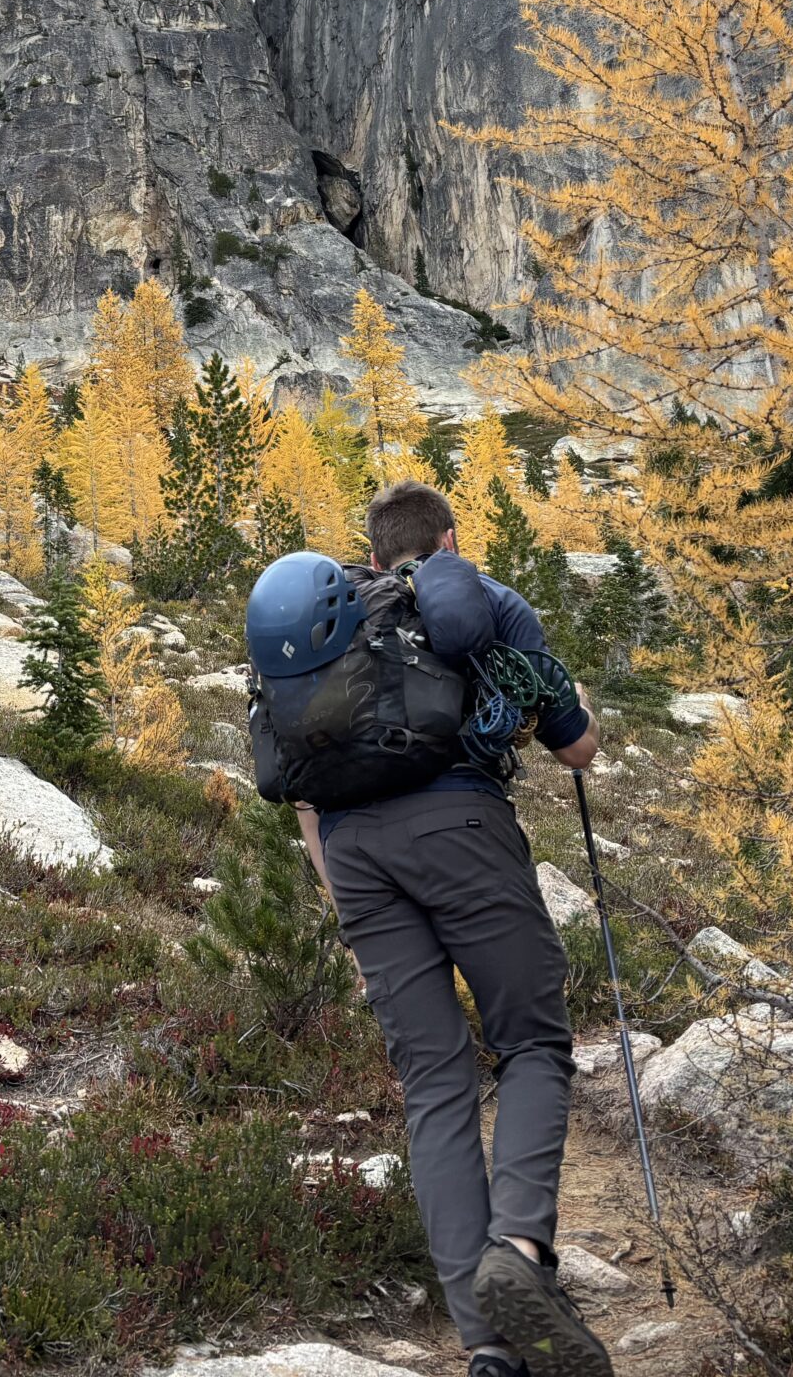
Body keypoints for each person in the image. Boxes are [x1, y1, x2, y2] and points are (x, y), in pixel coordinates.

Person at [292, 480, 611, 1377]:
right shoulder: (487, 606)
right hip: (460, 830)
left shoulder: (325, 627)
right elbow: (577, 749)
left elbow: (303, 796)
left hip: (354, 858)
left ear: (372, 546)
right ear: (448, 542)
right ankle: (520, 1250)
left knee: (434, 1086)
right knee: (534, 1044)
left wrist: (352, 921)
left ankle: (486, 1345)